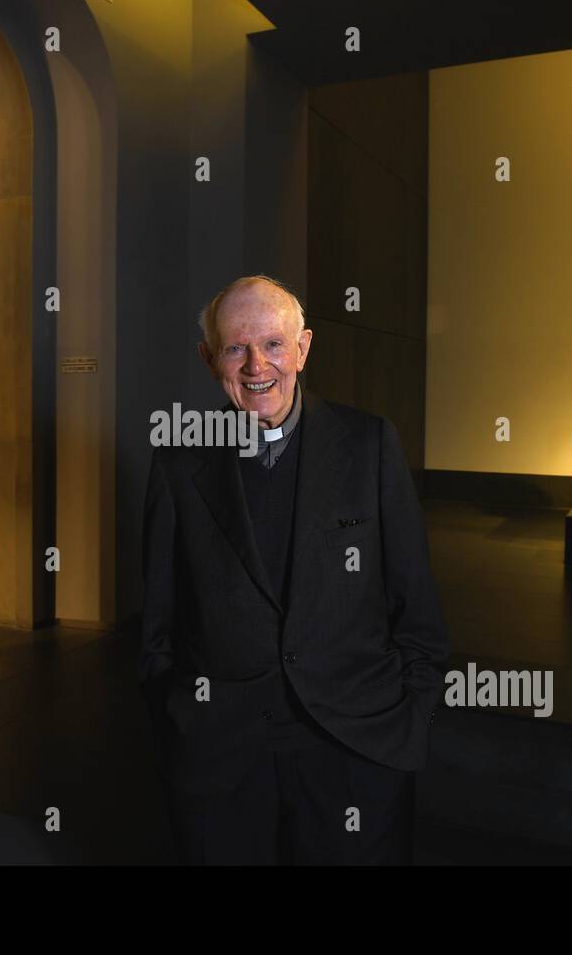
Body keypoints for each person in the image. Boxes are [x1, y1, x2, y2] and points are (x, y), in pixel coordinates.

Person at [139, 275, 449, 864]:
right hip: (221, 757)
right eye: (235, 348)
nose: (257, 365)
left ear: (303, 349)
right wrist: (180, 726)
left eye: (274, 345)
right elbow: (158, 623)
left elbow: (417, 609)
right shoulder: (178, 459)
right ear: (211, 359)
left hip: (356, 748)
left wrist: (411, 720)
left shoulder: (370, 444)